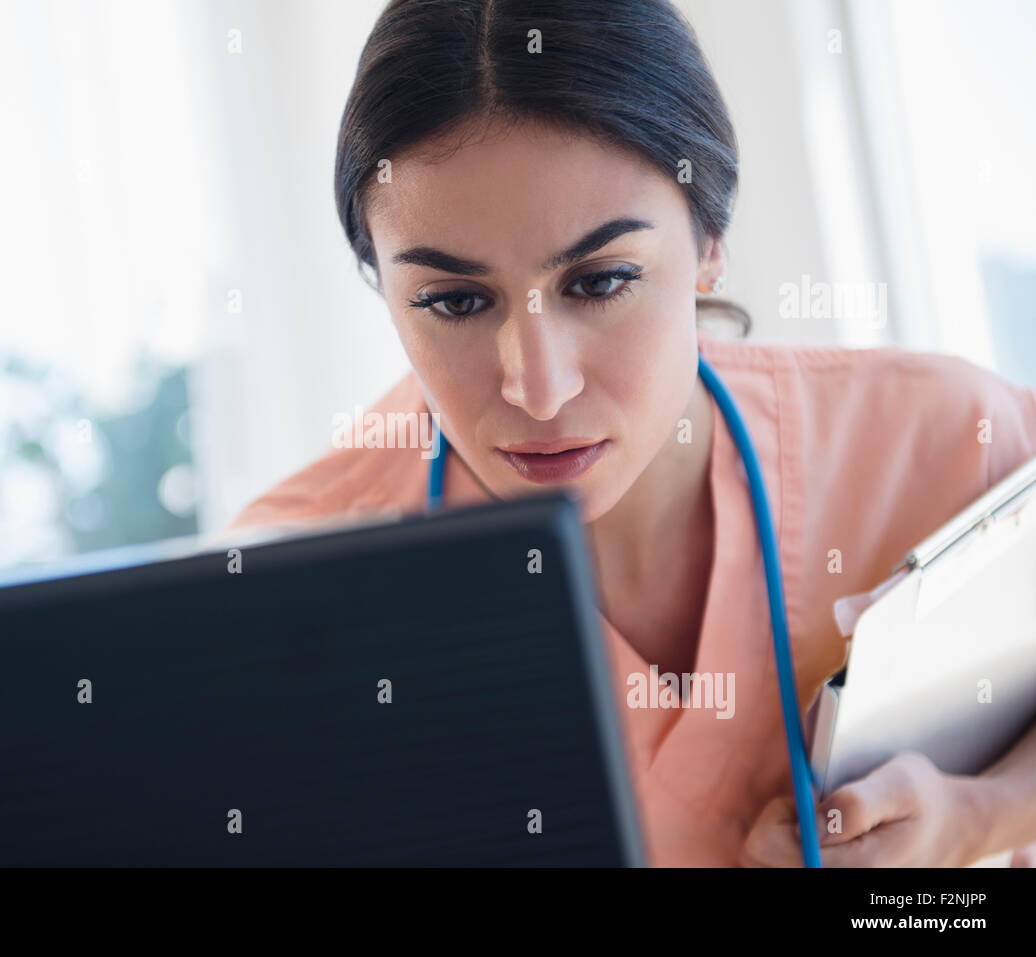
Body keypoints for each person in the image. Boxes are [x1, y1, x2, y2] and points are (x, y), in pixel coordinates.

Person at [224, 0, 1036, 867]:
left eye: (601, 280)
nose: (539, 388)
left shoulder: (949, 441)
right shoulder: (284, 586)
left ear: (710, 239)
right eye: (455, 301)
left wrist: (977, 816)